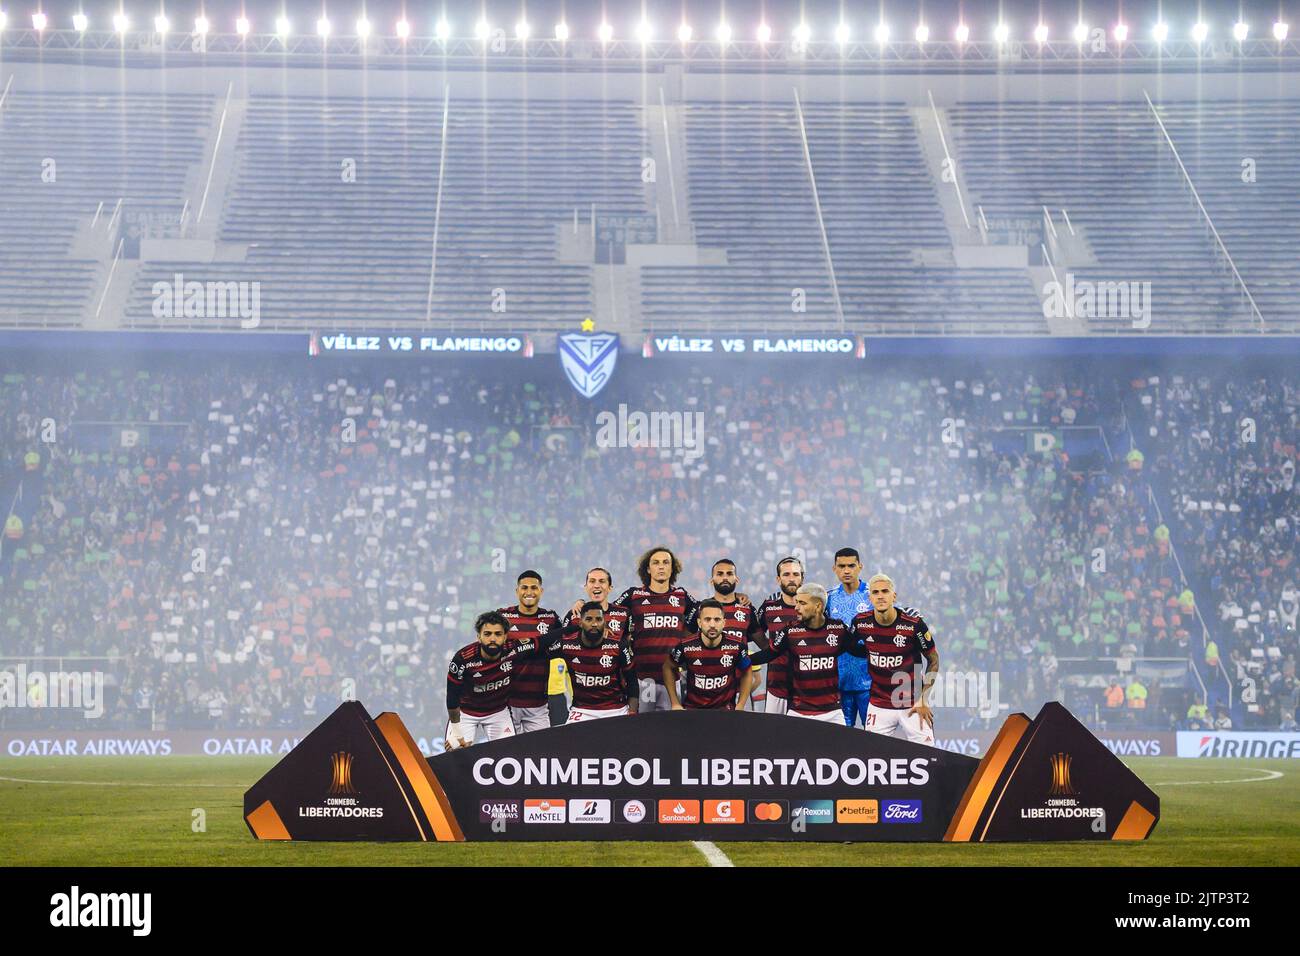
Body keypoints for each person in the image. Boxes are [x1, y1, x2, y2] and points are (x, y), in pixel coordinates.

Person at [846, 573, 938, 745]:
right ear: (869, 598)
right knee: (872, 759)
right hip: (879, 705)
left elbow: (933, 659)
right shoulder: (860, 623)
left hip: (913, 704)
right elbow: (849, 646)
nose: (880, 596)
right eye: (875, 592)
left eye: (885, 591)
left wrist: (923, 699)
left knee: (928, 758)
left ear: (893, 596)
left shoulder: (913, 624)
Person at [611, 546, 699, 713]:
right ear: (648, 569)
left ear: (672, 568)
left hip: (672, 681)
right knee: (644, 733)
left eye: (666, 562)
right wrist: (580, 602)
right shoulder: (633, 595)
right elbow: (608, 611)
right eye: (656, 563)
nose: (661, 566)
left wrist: (735, 599)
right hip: (643, 680)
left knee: (671, 731)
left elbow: (708, 611)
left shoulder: (682, 596)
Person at [745, 583, 851, 722]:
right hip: (798, 711)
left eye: (802, 603)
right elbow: (769, 653)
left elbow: (857, 649)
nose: (796, 608)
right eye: (796, 603)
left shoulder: (838, 628)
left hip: (832, 712)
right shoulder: (790, 631)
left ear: (818, 606)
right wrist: (742, 660)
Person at [445, 611, 540, 748]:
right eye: (487, 634)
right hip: (466, 713)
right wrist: (457, 732)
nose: (493, 639)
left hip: (498, 712)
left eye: (498, 634)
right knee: (455, 750)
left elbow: (545, 641)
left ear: (505, 636)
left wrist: (577, 627)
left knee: (508, 753)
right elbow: (452, 697)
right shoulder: (463, 658)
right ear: (479, 637)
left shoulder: (514, 649)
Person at [685, 559, 760, 706]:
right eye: (719, 574)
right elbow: (685, 644)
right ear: (712, 580)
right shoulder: (699, 608)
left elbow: (763, 644)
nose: (725, 577)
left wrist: (750, 663)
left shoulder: (747, 609)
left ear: (736, 579)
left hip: (739, 691)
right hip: (703, 692)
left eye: (729, 573)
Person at [545, 602, 638, 721]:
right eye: (589, 619)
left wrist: (632, 713)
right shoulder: (567, 645)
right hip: (582, 710)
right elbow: (541, 650)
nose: (594, 624)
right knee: (568, 740)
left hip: (616, 709)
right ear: (580, 623)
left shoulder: (618, 645)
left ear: (604, 623)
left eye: (599, 619)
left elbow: (632, 681)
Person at [499, 570, 563, 733]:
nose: (529, 592)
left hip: (538, 705)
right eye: (524, 587)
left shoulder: (551, 618)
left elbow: (567, 641)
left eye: (534, 587)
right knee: (507, 754)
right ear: (517, 591)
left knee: (538, 754)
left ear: (541, 591)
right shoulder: (503, 616)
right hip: (507, 704)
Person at [663, 599, 755, 710]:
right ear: (699, 623)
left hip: (725, 711)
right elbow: (667, 667)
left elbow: (747, 671)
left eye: (717, 620)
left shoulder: (737, 645)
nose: (712, 625)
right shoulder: (686, 646)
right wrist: (675, 703)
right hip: (693, 710)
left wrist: (740, 704)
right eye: (707, 619)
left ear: (724, 622)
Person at [753, 556, 805, 716]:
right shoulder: (769, 607)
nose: (791, 579)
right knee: (773, 736)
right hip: (776, 685)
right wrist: (771, 651)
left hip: (806, 688)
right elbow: (755, 632)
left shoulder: (814, 607)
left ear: (802, 577)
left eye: (796, 575)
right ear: (778, 579)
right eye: (786, 574)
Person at [826, 548, 873, 727]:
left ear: (860, 567)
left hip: (870, 682)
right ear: (834, 568)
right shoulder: (828, 598)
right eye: (842, 566)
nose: (846, 570)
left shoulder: (873, 595)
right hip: (840, 682)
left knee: (875, 737)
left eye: (851, 566)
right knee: (842, 741)